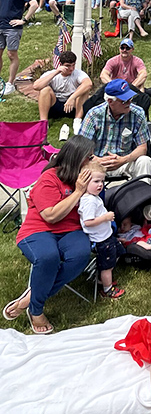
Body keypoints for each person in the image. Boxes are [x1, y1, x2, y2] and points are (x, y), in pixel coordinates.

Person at [3, 135, 95, 333]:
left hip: (71, 230)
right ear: (77, 158)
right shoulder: (49, 178)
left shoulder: (83, 177)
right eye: (89, 157)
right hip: (39, 230)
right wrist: (78, 192)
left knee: (80, 255)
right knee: (47, 257)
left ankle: (31, 296)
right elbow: (51, 216)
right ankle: (36, 309)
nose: (92, 161)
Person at [80, 78, 151, 177]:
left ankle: (144, 192)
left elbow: (142, 148)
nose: (129, 103)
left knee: (145, 160)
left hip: (125, 162)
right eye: (124, 101)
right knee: (82, 164)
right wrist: (97, 160)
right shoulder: (94, 115)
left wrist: (124, 160)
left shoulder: (138, 113)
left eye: (130, 99)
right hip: (97, 163)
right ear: (110, 101)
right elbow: (81, 148)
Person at [77, 160, 126, 299]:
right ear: (85, 183)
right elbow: (88, 222)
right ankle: (107, 289)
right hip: (101, 241)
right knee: (107, 266)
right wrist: (105, 218)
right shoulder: (89, 201)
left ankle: (103, 278)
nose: (100, 185)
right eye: (96, 181)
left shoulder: (94, 197)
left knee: (117, 253)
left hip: (106, 236)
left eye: (102, 181)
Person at [0, 0, 38, 95]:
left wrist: (24, 20)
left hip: (12, 28)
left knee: (11, 54)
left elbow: (34, 4)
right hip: (0, 26)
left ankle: (10, 83)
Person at [35, 50, 92, 129]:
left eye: (73, 65)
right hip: (55, 104)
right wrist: (56, 72)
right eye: (68, 66)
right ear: (61, 65)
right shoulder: (52, 74)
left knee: (84, 91)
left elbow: (88, 84)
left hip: (73, 106)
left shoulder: (78, 73)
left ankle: (77, 120)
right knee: (45, 90)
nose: (71, 68)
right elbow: (36, 86)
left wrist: (72, 98)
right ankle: (43, 123)